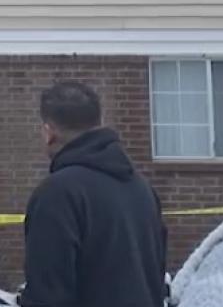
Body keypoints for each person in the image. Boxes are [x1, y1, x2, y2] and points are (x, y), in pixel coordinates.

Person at [19, 82, 168, 307]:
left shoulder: (57, 195)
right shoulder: (142, 190)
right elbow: (155, 280)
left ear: (48, 132)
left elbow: (48, 294)